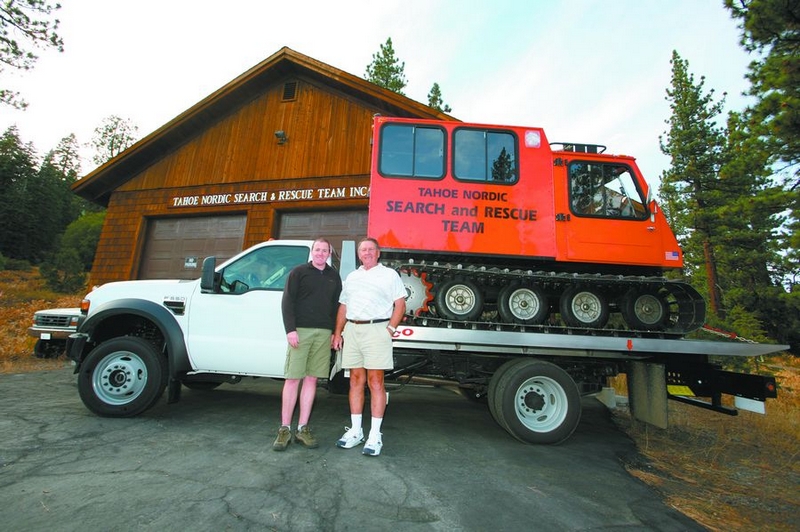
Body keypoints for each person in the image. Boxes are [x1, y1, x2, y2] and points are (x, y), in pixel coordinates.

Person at [332, 237, 406, 457]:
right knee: (355, 380)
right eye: (363, 250)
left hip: (377, 329)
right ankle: (356, 431)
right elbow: (344, 306)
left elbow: (400, 304)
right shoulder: (352, 277)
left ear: (378, 252)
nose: (366, 253)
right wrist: (338, 332)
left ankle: (375, 435)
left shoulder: (389, 275)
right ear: (358, 254)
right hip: (353, 330)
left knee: (376, 381)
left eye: (370, 249)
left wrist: (390, 329)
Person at [273, 238, 342, 451]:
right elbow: (287, 302)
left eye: (325, 250)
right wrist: (290, 330)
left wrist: (334, 333)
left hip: (323, 333)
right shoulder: (298, 272)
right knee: (293, 379)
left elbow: (337, 305)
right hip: (300, 332)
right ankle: (284, 429)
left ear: (329, 253)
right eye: (317, 250)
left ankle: (303, 428)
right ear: (312, 252)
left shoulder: (334, 276)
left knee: (311, 379)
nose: (321, 253)